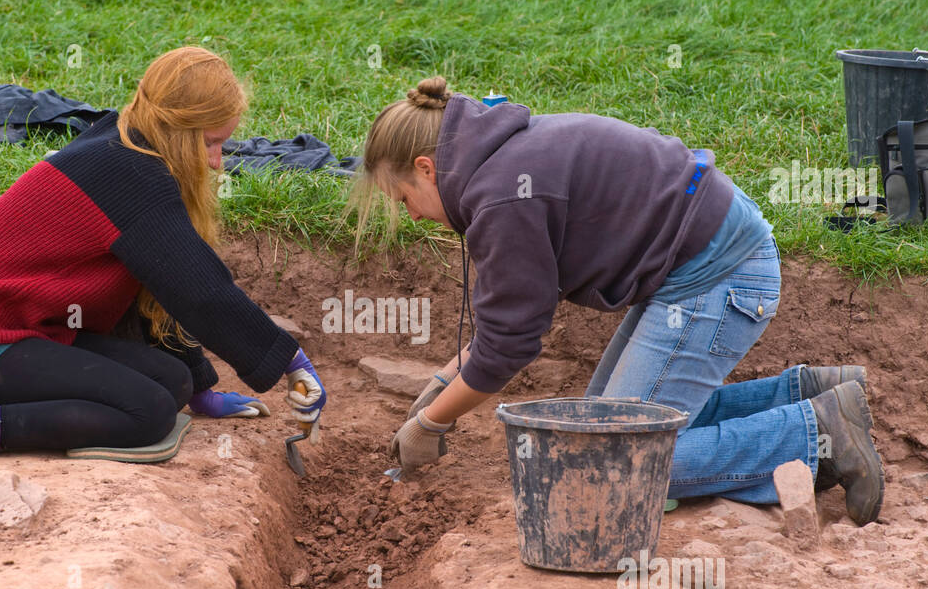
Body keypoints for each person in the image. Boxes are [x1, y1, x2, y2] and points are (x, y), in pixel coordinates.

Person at [353, 77, 883, 524]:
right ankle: (803, 395)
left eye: (404, 200)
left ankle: (817, 434)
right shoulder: (496, 162)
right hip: (698, 261)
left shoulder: (499, 198)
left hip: (720, 275)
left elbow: (507, 348)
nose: (414, 215)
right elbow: (502, 328)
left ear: (426, 167)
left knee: (606, 461)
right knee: (598, 426)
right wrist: (442, 387)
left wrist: (432, 423)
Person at [0, 46, 325, 461]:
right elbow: (200, 292)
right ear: (177, 128)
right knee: (147, 414)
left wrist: (200, 387)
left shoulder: (126, 141)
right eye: (209, 142)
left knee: (173, 382)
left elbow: (164, 282)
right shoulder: (131, 175)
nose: (217, 161)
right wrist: (290, 362)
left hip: (16, 331)